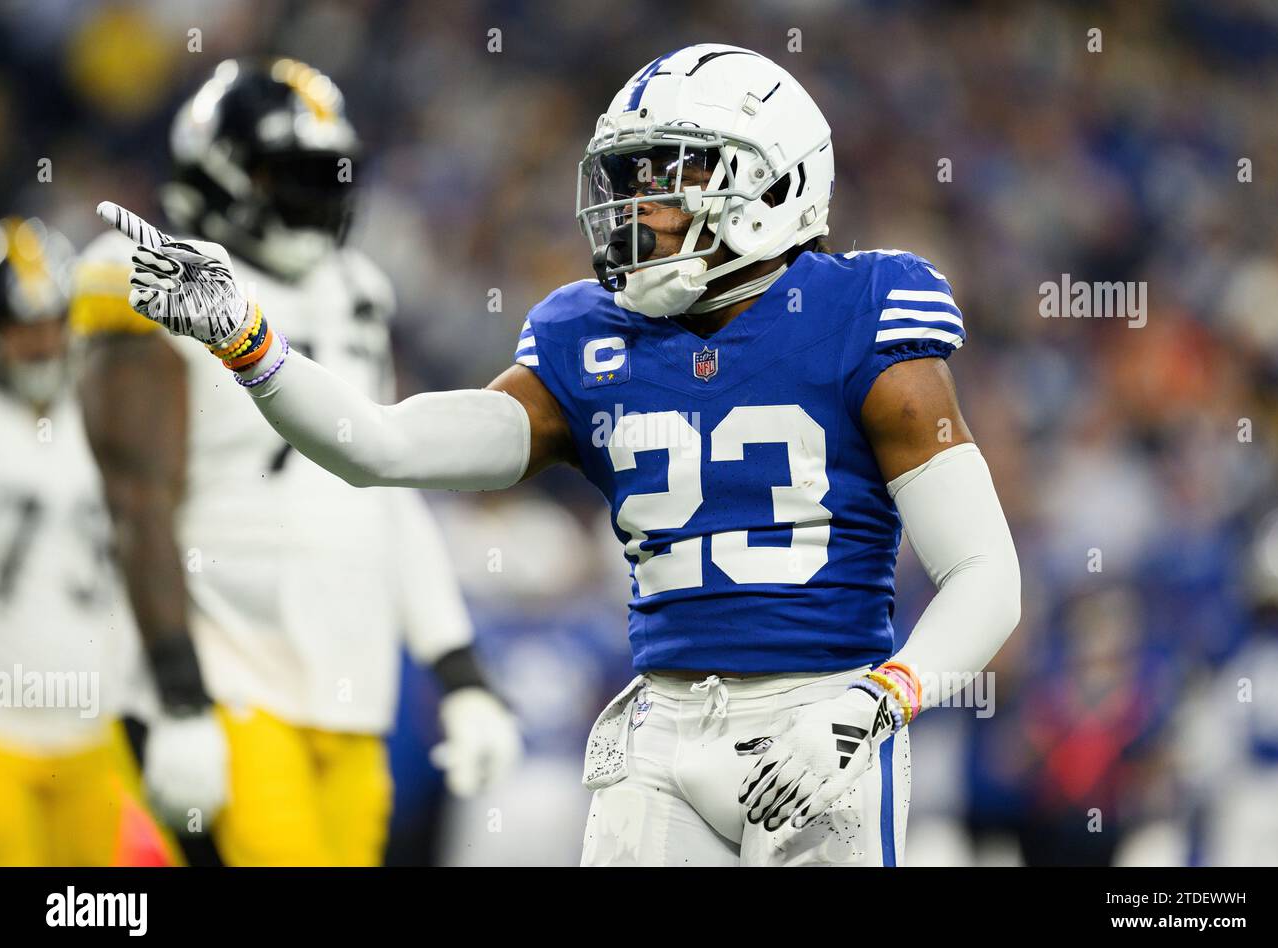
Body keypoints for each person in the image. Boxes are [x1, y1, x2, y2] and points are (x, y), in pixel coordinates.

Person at [97, 43, 1020, 866]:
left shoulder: (863, 312)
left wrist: (880, 699)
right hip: (658, 729)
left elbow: (985, 574)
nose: (638, 206)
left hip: (822, 717)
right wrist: (247, 339)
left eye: (673, 177)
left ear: (774, 186)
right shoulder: (592, 340)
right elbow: (380, 448)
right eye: (632, 177)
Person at [75, 58, 520, 866]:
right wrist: (178, 701)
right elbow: (134, 502)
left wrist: (461, 673)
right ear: (221, 173)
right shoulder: (159, 279)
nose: (317, 197)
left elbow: (389, 487)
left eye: (329, 174)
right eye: (292, 174)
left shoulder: (357, 289)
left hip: (351, 690)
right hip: (230, 677)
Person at [0, 216, 167, 866]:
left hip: (94, 736)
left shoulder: (103, 416)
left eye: (50, 325)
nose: (40, 345)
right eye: (21, 329)